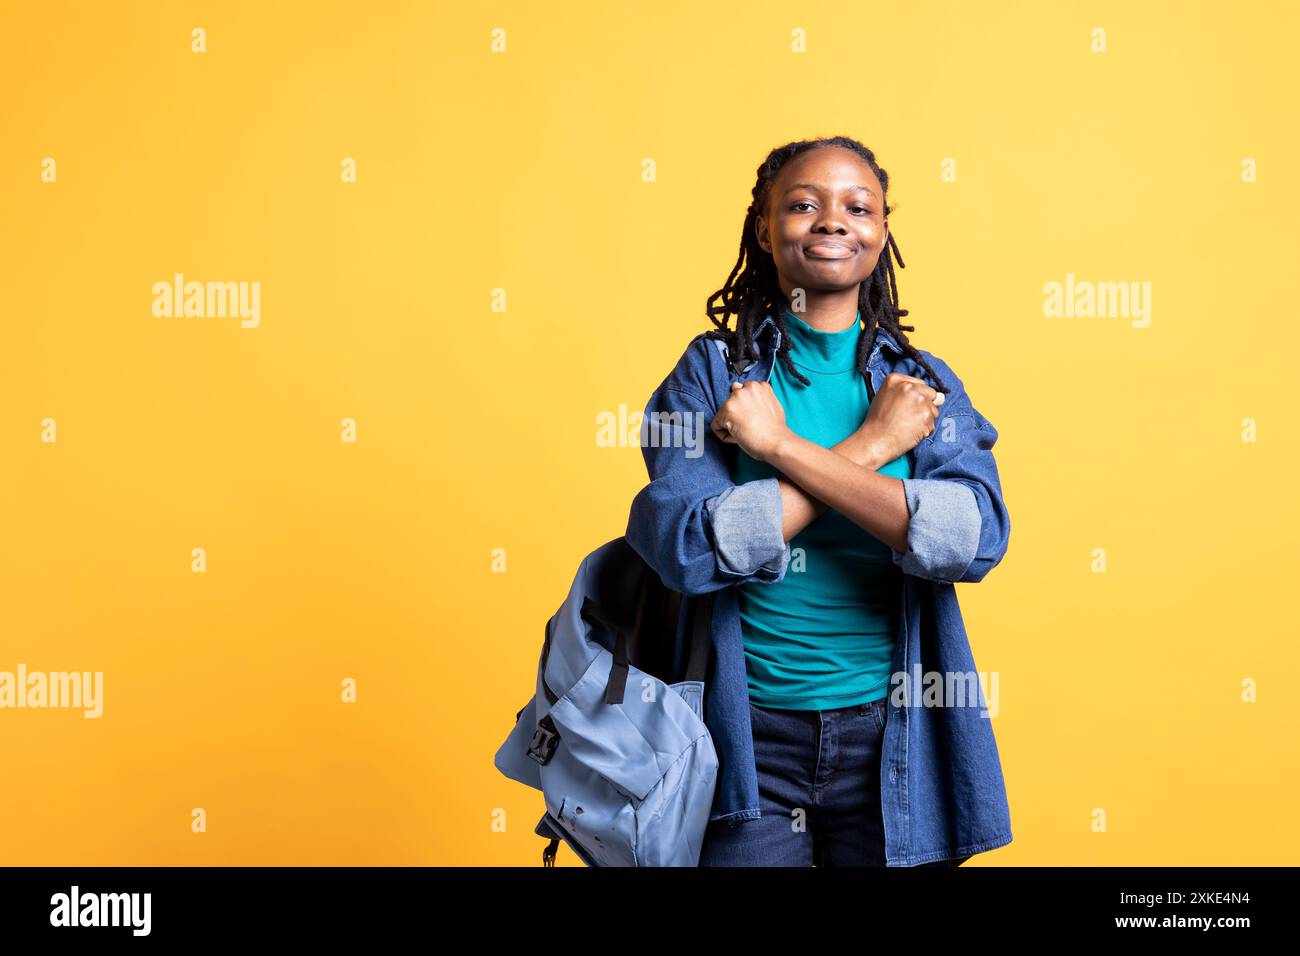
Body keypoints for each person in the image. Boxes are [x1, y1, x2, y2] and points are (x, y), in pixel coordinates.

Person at [625, 136, 1012, 866]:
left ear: (882, 233)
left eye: (858, 207)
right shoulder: (709, 377)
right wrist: (872, 450)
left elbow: (970, 536)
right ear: (764, 229)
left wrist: (777, 448)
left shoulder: (920, 385)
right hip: (740, 735)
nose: (833, 220)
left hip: (896, 734)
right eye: (803, 204)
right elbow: (691, 548)